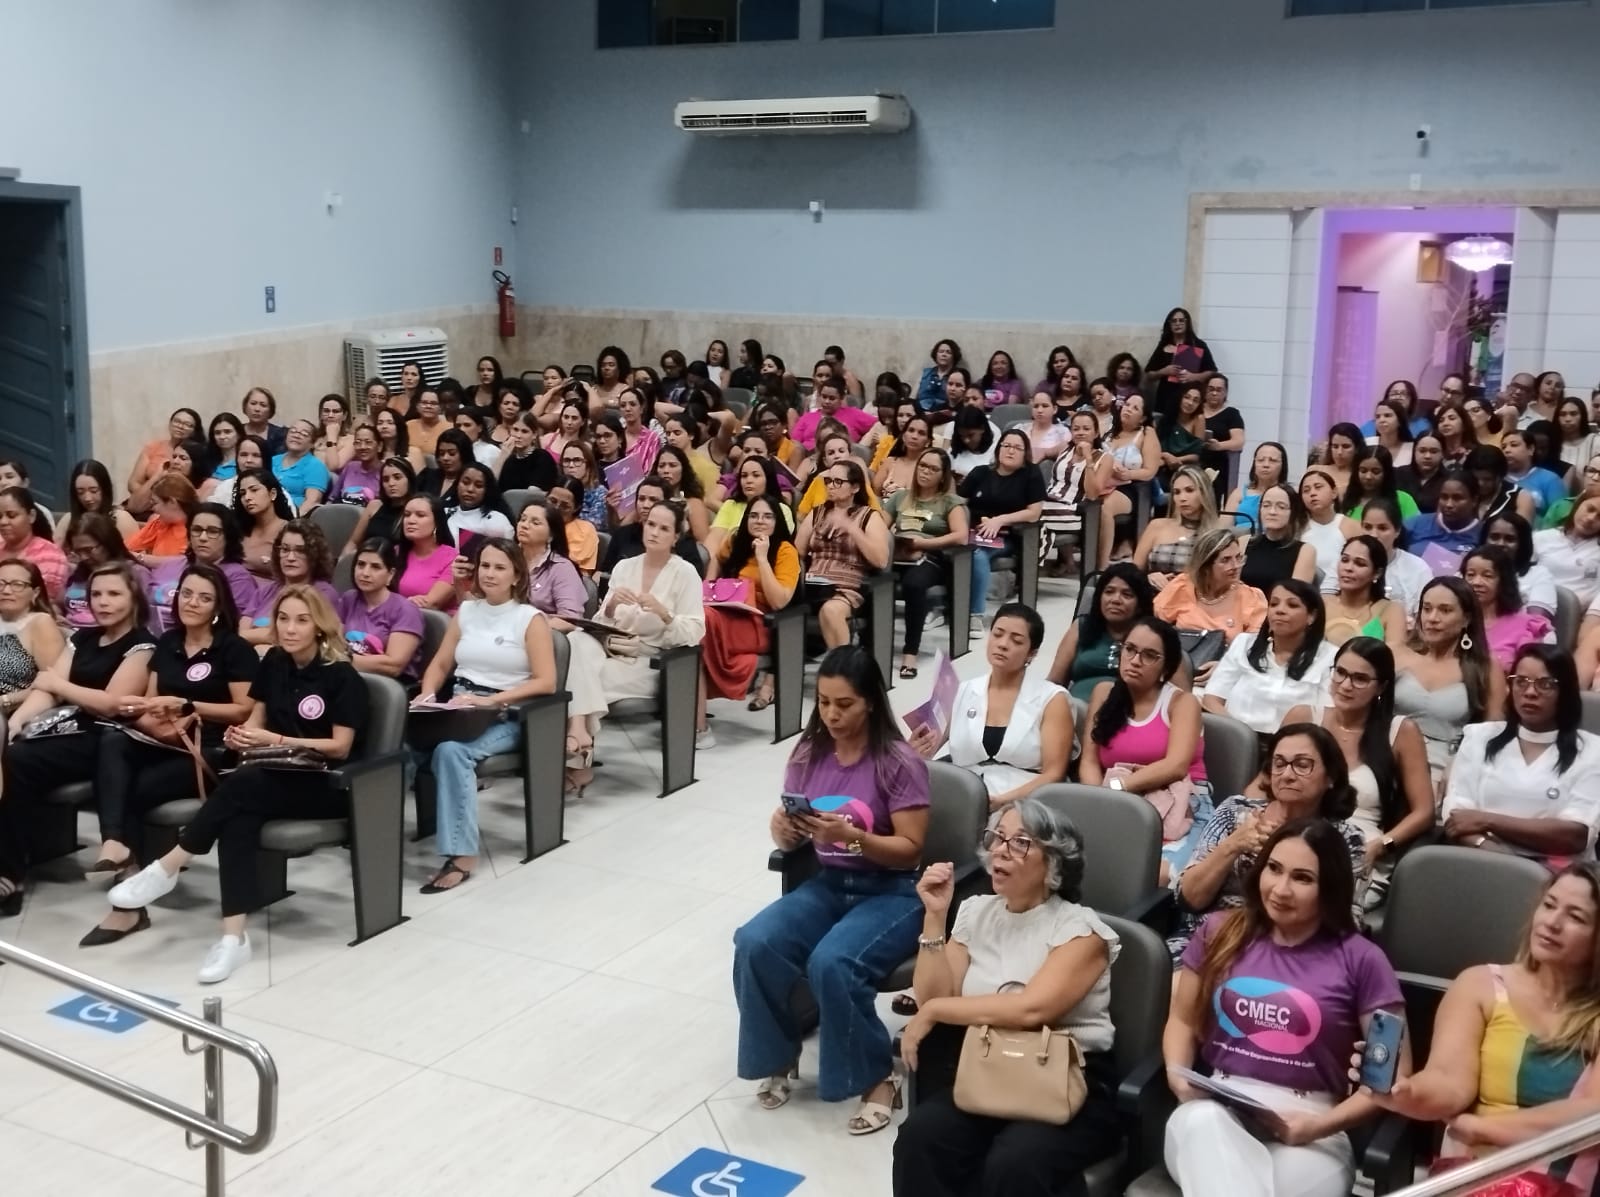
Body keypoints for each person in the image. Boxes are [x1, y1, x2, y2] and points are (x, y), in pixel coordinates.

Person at [106, 586, 367, 981]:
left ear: (319, 626)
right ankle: (233, 940)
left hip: (326, 785)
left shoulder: (341, 675)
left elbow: (341, 747)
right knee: (236, 817)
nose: (290, 628)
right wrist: (242, 735)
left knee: (242, 786)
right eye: (283, 619)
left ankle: (170, 864)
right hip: (273, 775)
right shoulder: (275, 662)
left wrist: (276, 741)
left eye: (301, 620)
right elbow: (256, 719)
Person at [734, 646, 929, 1133]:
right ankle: (778, 1055)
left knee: (833, 962)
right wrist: (785, 830)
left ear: (869, 703)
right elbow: (792, 831)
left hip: (893, 891)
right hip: (829, 882)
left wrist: (855, 838)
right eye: (823, 702)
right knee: (755, 941)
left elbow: (910, 850)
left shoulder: (897, 761)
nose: (831, 715)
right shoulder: (809, 752)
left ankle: (878, 1077)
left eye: (844, 704)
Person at [891, 800, 1123, 1197]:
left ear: (1054, 862)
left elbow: (1032, 1009)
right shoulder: (975, 912)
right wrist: (934, 916)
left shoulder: (1082, 930)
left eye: (1019, 842)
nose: (1000, 849)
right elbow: (935, 995)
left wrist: (934, 1010)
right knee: (920, 1138)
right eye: (997, 838)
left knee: (1014, 1164)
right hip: (989, 1070)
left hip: (1069, 1081)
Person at [1165, 820, 1405, 1197]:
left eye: (1302, 878)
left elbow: (1389, 1079)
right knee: (1201, 1122)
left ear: (1330, 889)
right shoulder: (1218, 931)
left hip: (1313, 1126)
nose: (1280, 889)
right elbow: (1181, 1019)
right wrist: (1178, 1080)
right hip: (1218, 1106)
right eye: (1273, 869)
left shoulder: (1364, 960)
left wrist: (1316, 1127)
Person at [1363, 865, 1600, 1189]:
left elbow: (1592, 1116)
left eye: (1576, 917)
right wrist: (1406, 1094)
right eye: (1549, 904)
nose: (1552, 922)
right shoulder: (1480, 985)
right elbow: (1449, 1081)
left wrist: (1483, 1129)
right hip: (1472, 1177)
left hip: (1560, 1185)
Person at [76, 564, 256, 941]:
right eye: (186, 594)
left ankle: (128, 901)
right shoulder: (169, 642)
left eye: (204, 597)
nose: (192, 602)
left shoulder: (234, 648)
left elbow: (243, 710)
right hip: (163, 739)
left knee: (134, 788)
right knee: (111, 738)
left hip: (209, 749)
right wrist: (153, 710)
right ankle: (116, 844)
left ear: (218, 605)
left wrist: (190, 705)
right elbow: (152, 698)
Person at [0, 562, 157, 916]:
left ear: (134, 598)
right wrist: (17, 723)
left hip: (106, 737)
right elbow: (46, 690)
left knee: (18, 762)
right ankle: (12, 857)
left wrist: (60, 685)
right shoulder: (82, 637)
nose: (103, 602)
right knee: (8, 750)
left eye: (114, 594)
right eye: (97, 594)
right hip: (65, 727)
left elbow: (113, 704)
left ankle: (11, 872)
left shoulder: (143, 645)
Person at [410, 538, 557, 892]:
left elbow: (547, 682)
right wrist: (428, 695)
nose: (489, 574)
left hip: (507, 713)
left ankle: (462, 856)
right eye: (485, 566)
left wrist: (493, 701)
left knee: (451, 751)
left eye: (499, 567)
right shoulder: (468, 611)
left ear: (516, 575)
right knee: (400, 746)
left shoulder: (529, 619)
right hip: (460, 707)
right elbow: (442, 663)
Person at [1173, 727, 1367, 961]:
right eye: (1279, 763)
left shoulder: (1346, 839)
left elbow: (1347, 925)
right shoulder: (1234, 812)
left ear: (1330, 777)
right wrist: (1233, 845)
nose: (1287, 774)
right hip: (1208, 939)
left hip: (1294, 954)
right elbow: (1189, 898)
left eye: (1302, 765)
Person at [1282, 638, 1435, 910]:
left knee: (1308, 903)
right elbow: (1259, 786)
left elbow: (1424, 812)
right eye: (1340, 673)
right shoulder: (1303, 716)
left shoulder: (1401, 732)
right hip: (1293, 839)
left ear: (1382, 686)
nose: (1345, 685)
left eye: (1359, 679)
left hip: (1359, 850)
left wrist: (1381, 845)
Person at [563, 503, 705, 795]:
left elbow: (694, 632)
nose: (654, 532)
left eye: (664, 528)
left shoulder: (685, 573)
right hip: (613, 647)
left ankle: (579, 760)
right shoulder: (625, 566)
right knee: (576, 640)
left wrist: (665, 614)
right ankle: (579, 733)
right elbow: (600, 624)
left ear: (676, 536)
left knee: (579, 681)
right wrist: (612, 605)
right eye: (651, 524)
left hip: (650, 661)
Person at [1441, 644, 1600, 867]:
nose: (1530, 692)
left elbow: (1574, 835)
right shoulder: (1481, 737)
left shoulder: (1592, 750)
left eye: (1545, 684)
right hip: (1480, 861)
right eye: (1521, 681)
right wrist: (1503, 859)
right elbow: (1457, 820)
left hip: (1559, 878)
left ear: (1565, 691)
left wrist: (1487, 820)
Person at [1080, 616, 1211, 881]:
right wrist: (1097, 802)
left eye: (1149, 655)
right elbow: (1090, 762)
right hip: (1117, 803)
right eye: (1130, 649)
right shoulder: (1103, 693)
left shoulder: (1182, 703)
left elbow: (1175, 766)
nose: (1136, 660)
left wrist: (1116, 790)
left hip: (1182, 806)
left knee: (1156, 874)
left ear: (1166, 667)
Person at [909, 604, 1071, 809]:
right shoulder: (961, 691)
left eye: (1016, 640)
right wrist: (915, 751)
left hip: (1024, 803)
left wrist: (1003, 801)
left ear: (1032, 653)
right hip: (962, 797)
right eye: (997, 634)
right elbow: (925, 751)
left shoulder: (1052, 699)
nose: (1003, 644)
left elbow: (1054, 774)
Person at [696, 495, 800, 745]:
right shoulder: (736, 541)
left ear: (777, 522)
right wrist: (709, 586)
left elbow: (780, 601)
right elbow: (717, 559)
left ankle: (696, 716)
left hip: (761, 623)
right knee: (697, 616)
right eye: (754, 515)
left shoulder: (785, 551)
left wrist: (763, 558)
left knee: (703, 620)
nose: (760, 521)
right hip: (727, 612)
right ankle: (687, 705)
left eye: (767, 516)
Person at [1393, 577, 1506, 782]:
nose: (1432, 618)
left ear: (1466, 619)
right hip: (1389, 759)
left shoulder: (1486, 668)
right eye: (1427, 609)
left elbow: (1493, 732)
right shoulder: (1398, 656)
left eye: (1445, 610)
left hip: (1448, 766)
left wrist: (1461, 762)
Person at [1204, 581, 1337, 735]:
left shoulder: (1330, 657)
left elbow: (1329, 716)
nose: (1280, 610)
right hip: (1236, 740)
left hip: (1292, 747)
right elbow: (1212, 699)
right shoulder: (1244, 644)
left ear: (1312, 616)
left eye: (1292, 605)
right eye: (1274, 604)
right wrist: (1240, 735)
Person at [886, 449, 970, 679]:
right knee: (875, 582)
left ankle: (909, 654)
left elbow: (961, 536)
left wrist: (922, 543)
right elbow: (878, 527)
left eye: (933, 469)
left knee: (914, 585)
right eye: (923, 466)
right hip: (900, 556)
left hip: (932, 559)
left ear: (943, 475)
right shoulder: (900, 497)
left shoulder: (949, 502)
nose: (925, 471)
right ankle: (870, 648)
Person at [796, 458, 892, 650]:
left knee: (830, 611)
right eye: (828, 481)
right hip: (814, 585)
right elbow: (797, 550)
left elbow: (881, 560)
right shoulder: (817, 513)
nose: (831, 486)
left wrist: (852, 528)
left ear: (855, 488)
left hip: (847, 588)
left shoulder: (869, 516)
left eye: (838, 482)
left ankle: (844, 670)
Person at [960, 430, 1044, 638]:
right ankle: (944, 605)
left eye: (1017, 447)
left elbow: (1034, 513)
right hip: (971, 532)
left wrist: (1000, 520)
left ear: (1025, 454)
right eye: (1006, 445)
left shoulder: (1030, 475)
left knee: (977, 554)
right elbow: (958, 502)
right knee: (954, 551)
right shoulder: (980, 473)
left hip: (1007, 535)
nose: (1010, 451)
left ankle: (975, 614)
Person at [1155, 529, 1268, 676]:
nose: (1235, 566)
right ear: (1205, 566)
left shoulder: (1251, 598)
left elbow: (1256, 649)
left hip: (1228, 674)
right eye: (1225, 560)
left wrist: (1224, 667)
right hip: (1178, 670)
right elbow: (1156, 630)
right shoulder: (1182, 587)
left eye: (1238, 558)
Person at [1048, 563, 1161, 701]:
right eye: (1109, 592)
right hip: (1075, 710)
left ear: (1140, 605)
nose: (1115, 600)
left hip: (1127, 712)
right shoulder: (1081, 627)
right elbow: (1054, 682)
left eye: (1127, 594)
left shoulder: (1152, 636)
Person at [148, 502, 258, 631]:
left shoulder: (239, 578)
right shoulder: (171, 565)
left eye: (212, 531)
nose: (203, 537)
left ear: (228, 537)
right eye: (197, 530)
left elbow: (229, 625)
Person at [240, 519, 339, 646]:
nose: (290, 558)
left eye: (300, 551)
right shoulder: (265, 591)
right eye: (285, 550)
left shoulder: (323, 593)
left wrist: (261, 636)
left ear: (315, 555)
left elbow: (304, 638)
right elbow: (241, 634)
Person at [336, 539, 424, 680]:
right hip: (346, 677)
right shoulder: (348, 599)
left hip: (387, 686)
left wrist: (343, 661)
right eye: (361, 564)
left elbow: (393, 666)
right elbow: (334, 643)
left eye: (375, 567)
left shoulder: (406, 610)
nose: (365, 573)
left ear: (390, 574)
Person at [1460, 545, 1554, 672]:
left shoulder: (1526, 626)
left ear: (1504, 581)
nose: (1476, 582)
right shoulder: (1453, 620)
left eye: (1487, 576)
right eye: (1470, 575)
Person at [1134, 466, 1223, 591]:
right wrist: (1148, 577)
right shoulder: (1157, 526)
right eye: (1177, 492)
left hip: (1193, 601)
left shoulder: (1216, 534)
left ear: (1204, 493)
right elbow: (1133, 572)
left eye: (1189, 490)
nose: (1182, 498)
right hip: (1151, 597)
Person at [1097, 395, 1161, 566]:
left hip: (1130, 487)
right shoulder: (1107, 428)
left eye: (1135, 408)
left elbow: (1150, 471)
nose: (1128, 409)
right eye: (1127, 405)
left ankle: (1101, 567)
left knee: (1104, 508)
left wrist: (1128, 474)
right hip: (1100, 481)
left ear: (1143, 417)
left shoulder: (1146, 433)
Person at [0, 559, 65, 721]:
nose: (6, 590)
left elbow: (55, 687)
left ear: (35, 593)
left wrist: (5, 700)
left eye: (17, 584)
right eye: (1, 583)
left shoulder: (41, 623)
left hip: (16, 712)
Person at [1359, 498, 1431, 630]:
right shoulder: (1347, 563)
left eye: (1382, 528)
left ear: (1397, 531)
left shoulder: (1418, 568)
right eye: (1367, 527)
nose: (1373, 534)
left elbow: (1426, 619)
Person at [511, 500, 587, 626]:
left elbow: (570, 620)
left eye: (535, 523)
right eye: (522, 519)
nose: (524, 525)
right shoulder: (504, 558)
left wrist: (528, 628)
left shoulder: (561, 568)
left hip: (541, 635)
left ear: (551, 535)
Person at [1322, 535, 1404, 646]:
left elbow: (1396, 654)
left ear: (1377, 573)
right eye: (1345, 560)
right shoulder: (1322, 604)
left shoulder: (1391, 610)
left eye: (1359, 563)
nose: (1348, 568)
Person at [1241, 484, 1318, 593]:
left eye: (1281, 507)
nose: (1272, 512)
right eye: (1266, 505)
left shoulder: (1305, 551)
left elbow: (1296, 597)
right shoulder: (1244, 543)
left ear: (1293, 512)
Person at [1145, 307, 1218, 422]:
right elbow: (1149, 374)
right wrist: (1164, 371)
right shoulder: (1163, 345)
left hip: (1190, 397)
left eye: (1181, 320)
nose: (1177, 324)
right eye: (1174, 321)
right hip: (1166, 398)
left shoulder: (1199, 345)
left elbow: (1212, 372)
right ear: (1169, 324)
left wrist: (1194, 377)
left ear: (1187, 322)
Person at [126, 407, 203, 515]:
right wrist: (151, 497)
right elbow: (133, 483)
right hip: (146, 501)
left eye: (187, 424)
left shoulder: (198, 454)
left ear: (195, 430)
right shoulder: (153, 447)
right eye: (177, 421)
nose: (180, 426)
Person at [1483, 511, 1558, 617]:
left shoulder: (1539, 574)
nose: (1500, 544)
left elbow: (1536, 620)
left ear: (1522, 544)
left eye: (1510, 539)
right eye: (1494, 537)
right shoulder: (1469, 568)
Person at [0, 487, 68, 604]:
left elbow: (42, 602)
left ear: (31, 516)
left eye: (11, 515)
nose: (3, 522)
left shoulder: (50, 555)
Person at [1534, 495, 1600, 611]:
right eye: (1590, 509)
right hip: (1533, 610)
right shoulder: (1540, 539)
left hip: (1582, 620)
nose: (1591, 518)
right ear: (1578, 505)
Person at [393, 495, 459, 611]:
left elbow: (432, 603)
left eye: (420, 515)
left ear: (437, 522)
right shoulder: (394, 552)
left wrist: (403, 604)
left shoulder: (452, 558)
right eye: (407, 515)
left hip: (434, 625)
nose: (411, 520)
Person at [1404, 469, 1482, 565]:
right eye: (1444, 497)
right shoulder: (1414, 524)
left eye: (1457, 498)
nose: (1448, 504)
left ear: (1474, 500)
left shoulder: (1483, 533)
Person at [1299, 469, 1361, 581]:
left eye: (1318, 487)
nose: (1312, 493)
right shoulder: (1298, 530)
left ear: (1334, 492)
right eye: (1306, 490)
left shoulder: (1352, 526)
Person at [125, 473, 199, 566]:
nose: (153, 508)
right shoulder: (159, 523)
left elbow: (180, 563)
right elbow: (127, 547)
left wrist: (139, 557)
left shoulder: (199, 528)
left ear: (172, 502)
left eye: (155, 503)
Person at [345, 457, 417, 553]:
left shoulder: (415, 511)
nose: (391, 483)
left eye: (397, 477)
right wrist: (342, 562)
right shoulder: (374, 506)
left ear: (409, 480)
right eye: (386, 479)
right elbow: (353, 542)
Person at [232, 467, 293, 579]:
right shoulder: (238, 531)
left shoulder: (289, 532)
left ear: (272, 494)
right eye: (242, 493)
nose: (247, 497)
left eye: (254, 490)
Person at [59, 459, 139, 543]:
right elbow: (53, 552)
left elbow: (133, 554)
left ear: (105, 489)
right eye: (80, 492)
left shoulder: (121, 519)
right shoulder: (68, 520)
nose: (87, 498)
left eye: (94, 491)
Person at [1199, 374, 1246, 501]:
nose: (1214, 393)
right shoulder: (1196, 409)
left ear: (1225, 393)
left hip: (1217, 462)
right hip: (1193, 457)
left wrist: (1219, 446)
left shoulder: (1231, 414)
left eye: (1219, 390)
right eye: (1211, 389)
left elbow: (1238, 441)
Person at [1225, 441, 1290, 532]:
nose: (1265, 465)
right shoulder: (1238, 493)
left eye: (1273, 460)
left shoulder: (1289, 495)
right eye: (1260, 460)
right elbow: (1223, 529)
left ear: (1283, 466)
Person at [269, 420, 331, 513]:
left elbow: (312, 501)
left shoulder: (316, 466)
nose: (296, 436)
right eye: (293, 431)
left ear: (312, 444)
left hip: (294, 518)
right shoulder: (273, 460)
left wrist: (292, 522)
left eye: (304, 434)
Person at [446, 462, 514, 544]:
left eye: (478, 485)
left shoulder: (496, 521)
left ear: (487, 490)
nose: (470, 489)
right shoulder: (444, 512)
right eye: (465, 482)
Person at [495, 411, 560, 494]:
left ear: (534, 434)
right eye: (515, 430)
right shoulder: (508, 460)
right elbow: (491, 487)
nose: (518, 435)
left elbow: (531, 494)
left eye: (524, 431)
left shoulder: (542, 457)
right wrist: (502, 456)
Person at [875, 414, 936, 498]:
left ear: (928, 441)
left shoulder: (932, 468)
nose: (914, 436)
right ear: (903, 436)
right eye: (911, 430)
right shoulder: (890, 462)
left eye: (921, 433)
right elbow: (874, 495)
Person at [1396, 432, 1448, 514]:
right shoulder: (1398, 474)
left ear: (1443, 454)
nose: (1427, 456)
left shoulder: (1450, 480)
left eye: (1434, 451)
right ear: (1414, 451)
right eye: (1422, 451)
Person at [915, 338, 963, 420]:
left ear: (954, 356)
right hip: (920, 413)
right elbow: (913, 396)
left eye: (948, 352)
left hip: (944, 416)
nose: (944, 354)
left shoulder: (957, 375)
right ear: (935, 354)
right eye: (941, 352)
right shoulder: (925, 373)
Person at [374, 406, 426, 475]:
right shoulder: (374, 453)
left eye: (390, 423)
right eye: (380, 423)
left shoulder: (414, 452)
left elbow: (422, 482)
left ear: (399, 426)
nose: (384, 426)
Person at [1367, 397, 1416, 468]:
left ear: (1400, 421)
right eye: (1377, 417)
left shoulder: (1412, 448)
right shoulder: (1367, 444)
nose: (1381, 420)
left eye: (1387, 415)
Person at [311, 394, 354, 472]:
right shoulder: (314, 437)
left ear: (344, 415)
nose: (330, 415)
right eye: (326, 411)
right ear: (320, 414)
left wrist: (331, 436)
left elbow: (333, 467)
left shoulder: (351, 440)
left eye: (336, 411)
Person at [240, 386, 287, 457]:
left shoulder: (280, 435)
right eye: (253, 403)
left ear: (270, 411)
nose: (257, 409)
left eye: (263, 405)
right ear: (245, 407)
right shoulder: (236, 431)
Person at [406, 386, 450, 456]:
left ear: (440, 408)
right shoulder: (408, 426)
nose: (428, 406)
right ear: (417, 406)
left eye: (433, 403)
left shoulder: (449, 428)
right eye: (424, 403)